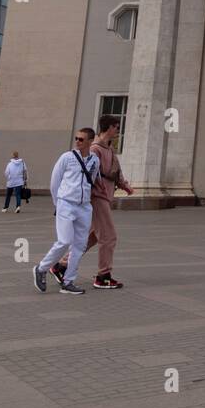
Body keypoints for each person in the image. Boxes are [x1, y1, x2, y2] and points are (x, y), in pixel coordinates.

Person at [49, 116, 133, 289]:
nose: (118, 130)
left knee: (92, 237)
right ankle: (104, 276)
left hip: (105, 196)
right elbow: (88, 171)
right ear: (108, 128)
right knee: (109, 237)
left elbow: (116, 170)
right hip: (97, 198)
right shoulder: (95, 149)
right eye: (116, 127)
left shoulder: (109, 148)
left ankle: (61, 266)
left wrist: (124, 186)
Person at [32, 129, 100, 296]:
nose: (77, 141)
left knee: (79, 245)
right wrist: (58, 204)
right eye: (76, 138)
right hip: (66, 203)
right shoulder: (66, 158)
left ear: (90, 141)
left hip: (84, 206)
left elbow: (93, 179)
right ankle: (41, 268)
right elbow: (55, 182)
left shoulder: (95, 160)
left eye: (81, 139)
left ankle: (68, 281)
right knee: (64, 240)